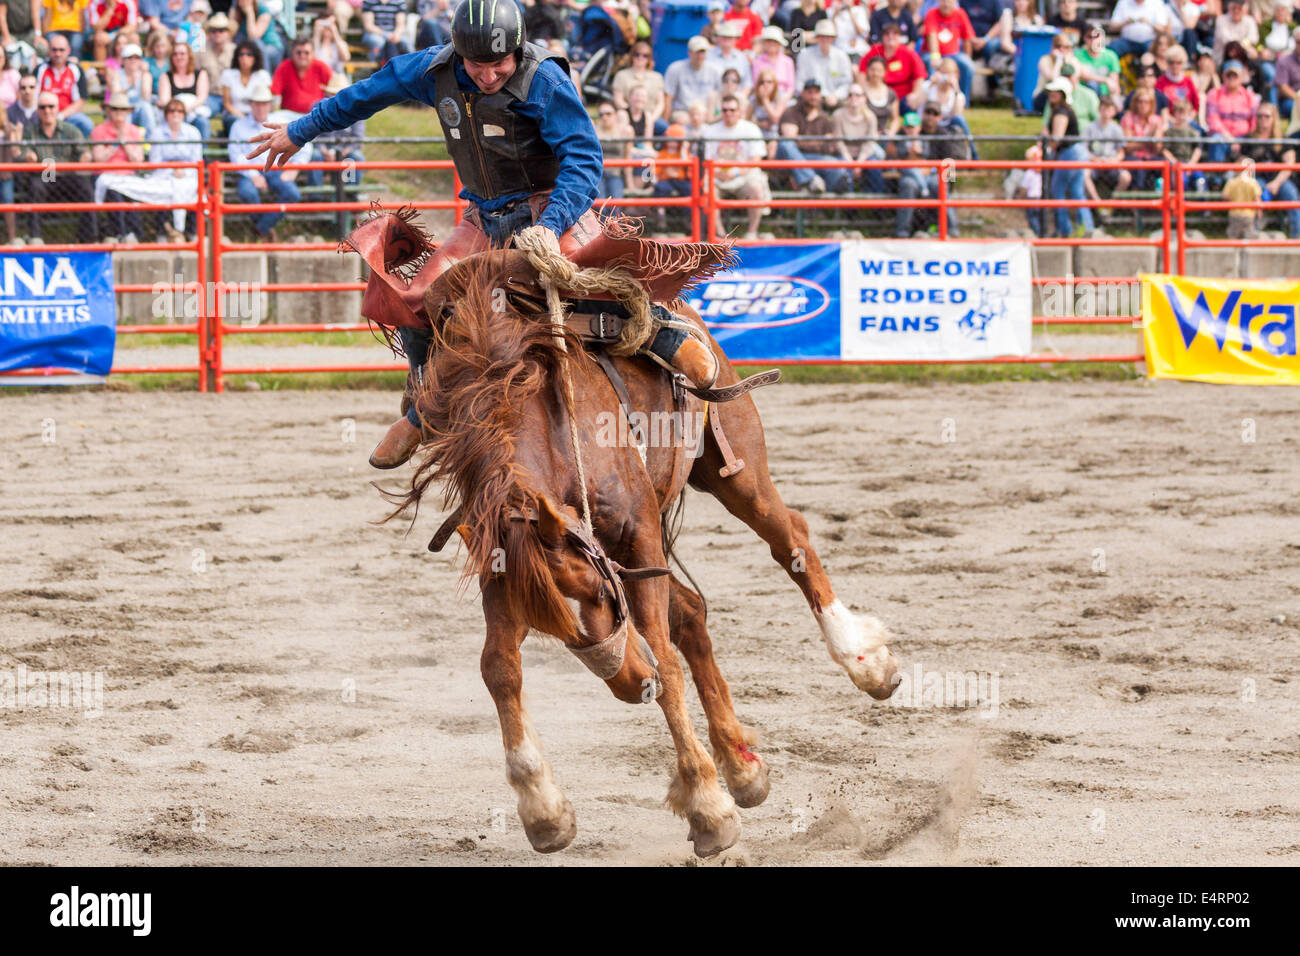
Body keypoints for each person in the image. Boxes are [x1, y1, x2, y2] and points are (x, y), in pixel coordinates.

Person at [246, 0, 721, 468]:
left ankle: (666, 337)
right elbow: (367, 93)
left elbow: (583, 159)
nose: (488, 75)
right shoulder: (434, 72)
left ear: (516, 50)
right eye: (477, 65)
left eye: (499, 64)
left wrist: (550, 226)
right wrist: (302, 129)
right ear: (459, 52)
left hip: (550, 208)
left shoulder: (544, 80)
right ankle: (423, 411)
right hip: (484, 219)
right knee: (415, 300)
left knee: (592, 280)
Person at [16, 90, 98, 243]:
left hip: (67, 177)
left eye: (51, 106)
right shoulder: (30, 132)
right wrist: (28, 156)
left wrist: (84, 157)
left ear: (58, 108)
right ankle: (35, 237)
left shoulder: (71, 130)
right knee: (35, 186)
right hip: (44, 178)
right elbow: (23, 153)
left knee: (86, 187)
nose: (47, 111)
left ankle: (89, 237)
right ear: (38, 110)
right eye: (42, 107)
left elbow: (83, 152)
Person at [227, 82, 299, 240]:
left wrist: (295, 167)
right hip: (250, 171)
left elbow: (306, 141)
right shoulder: (238, 126)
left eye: (264, 104)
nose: (260, 107)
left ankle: (260, 229)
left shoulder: (280, 121)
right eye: (257, 104)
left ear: (269, 105)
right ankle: (264, 229)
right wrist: (253, 175)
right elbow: (235, 154)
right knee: (248, 193)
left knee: (293, 194)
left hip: (274, 169)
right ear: (251, 105)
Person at [704, 91, 769, 238]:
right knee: (709, 190)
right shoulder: (711, 131)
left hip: (743, 174)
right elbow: (708, 160)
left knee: (756, 188)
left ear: (739, 111)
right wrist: (720, 173)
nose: (728, 113)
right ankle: (719, 235)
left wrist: (736, 172)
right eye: (725, 110)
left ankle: (752, 232)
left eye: (732, 110)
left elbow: (756, 159)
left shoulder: (751, 129)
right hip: (718, 174)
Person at [895, 102, 961, 237]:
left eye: (935, 114)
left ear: (940, 117)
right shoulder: (908, 129)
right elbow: (892, 150)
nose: (930, 116)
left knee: (939, 186)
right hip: (911, 173)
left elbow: (950, 161)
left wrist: (948, 182)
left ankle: (951, 229)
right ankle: (902, 232)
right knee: (908, 185)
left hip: (934, 174)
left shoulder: (943, 135)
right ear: (922, 114)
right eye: (928, 113)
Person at [776, 78, 851, 193]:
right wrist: (819, 143)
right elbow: (790, 141)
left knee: (840, 166)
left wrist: (802, 142)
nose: (813, 96)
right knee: (786, 145)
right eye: (809, 92)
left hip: (815, 159)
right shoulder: (791, 112)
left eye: (816, 93)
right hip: (790, 159)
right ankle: (811, 180)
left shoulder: (825, 117)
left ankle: (827, 204)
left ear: (820, 95)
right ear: (802, 94)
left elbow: (830, 146)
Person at [91, 90, 146, 242]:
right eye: (115, 109)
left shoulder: (134, 131)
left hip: (128, 175)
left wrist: (125, 142)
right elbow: (98, 159)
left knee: (131, 195)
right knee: (115, 194)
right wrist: (116, 144)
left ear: (128, 111)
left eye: (122, 109)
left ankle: (133, 233)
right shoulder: (99, 130)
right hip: (107, 175)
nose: (119, 112)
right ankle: (121, 233)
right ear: (108, 110)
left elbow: (138, 160)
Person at [1042, 77, 1094, 238]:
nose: (1052, 94)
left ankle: (1065, 230)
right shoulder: (1063, 110)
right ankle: (1086, 228)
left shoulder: (1061, 112)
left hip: (1070, 154)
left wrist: (1046, 149)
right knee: (1077, 192)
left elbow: (1057, 138)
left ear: (1063, 94)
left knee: (1058, 191)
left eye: (1056, 92)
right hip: (1076, 152)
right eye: (1051, 91)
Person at [1241, 101, 1300, 235]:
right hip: (1257, 178)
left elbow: (1289, 163)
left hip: (1279, 179)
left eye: (1267, 116)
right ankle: (1253, 233)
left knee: (1292, 195)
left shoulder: (1282, 139)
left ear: (1274, 118)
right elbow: (1244, 162)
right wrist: (1252, 185)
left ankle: (1297, 237)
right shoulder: (1249, 139)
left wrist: (1276, 183)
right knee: (1254, 193)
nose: (1263, 120)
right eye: (1260, 116)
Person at [35, 32, 93, 136]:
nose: (58, 53)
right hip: (43, 113)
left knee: (86, 124)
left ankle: (75, 150)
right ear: (49, 50)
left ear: (68, 50)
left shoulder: (76, 69)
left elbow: (80, 101)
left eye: (61, 50)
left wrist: (61, 116)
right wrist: (46, 113)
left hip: (67, 115)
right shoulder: (40, 69)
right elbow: (34, 97)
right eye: (54, 50)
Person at [1205, 59, 1260, 163]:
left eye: (1235, 75)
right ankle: (1216, 176)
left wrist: (1248, 136)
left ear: (1241, 77)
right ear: (1223, 77)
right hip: (1223, 136)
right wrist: (1229, 138)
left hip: (1244, 137)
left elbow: (1254, 120)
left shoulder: (1249, 96)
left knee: (1254, 142)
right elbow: (1213, 120)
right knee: (1217, 139)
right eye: (1228, 75)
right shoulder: (1214, 94)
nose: (1231, 78)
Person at [833, 83, 885, 192]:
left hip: (864, 156)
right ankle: (848, 205)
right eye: (850, 95)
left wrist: (859, 163)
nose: (853, 98)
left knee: (875, 168)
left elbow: (869, 143)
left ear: (864, 98)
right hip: (845, 155)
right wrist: (850, 162)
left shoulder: (870, 117)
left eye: (857, 95)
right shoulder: (838, 115)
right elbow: (839, 142)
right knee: (842, 172)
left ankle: (877, 204)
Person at [861, 20, 926, 106]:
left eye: (895, 33)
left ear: (900, 36)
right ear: (882, 36)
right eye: (887, 34)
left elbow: (920, 75)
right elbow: (861, 71)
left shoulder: (908, 52)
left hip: (903, 96)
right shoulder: (874, 51)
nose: (891, 36)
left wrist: (915, 93)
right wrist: (864, 90)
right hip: (878, 93)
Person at [921, 0, 975, 101]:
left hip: (954, 54)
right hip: (933, 53)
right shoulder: (932, 12)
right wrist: (935, 56)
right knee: (932, 64)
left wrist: (968, 57)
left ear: (955, 2)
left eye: (949, 1)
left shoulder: (960, 14)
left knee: (968, 65)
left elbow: (967, 39)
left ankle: (962, 99)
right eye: (943, 1)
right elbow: (931, 36)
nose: (946, 4)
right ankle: (932, 100)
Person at [159, 37, 211, 139]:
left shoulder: (200, 73)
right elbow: (165, 99)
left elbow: (202, 97)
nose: (178, 57)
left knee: (203, 122)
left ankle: (204, 154)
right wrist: (179, 110)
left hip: (194, 111)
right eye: (175, 54)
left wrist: (187, 108)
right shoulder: (166, 76)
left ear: (189, 56)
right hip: (175, 112)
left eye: (182, 54)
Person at [1117, 86, 1167, 191]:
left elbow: (1158, 148)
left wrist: (1153, 139)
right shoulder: (1128, 118)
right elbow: (1128, 147)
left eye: (1147, 102)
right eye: (1140, 102)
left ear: (1151, 104)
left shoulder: (1156, 120)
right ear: (1135, 103)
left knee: (1167, 166)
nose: (1143, 105)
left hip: (1151, 157)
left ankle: (1168, 200)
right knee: (1139, 166)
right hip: (1133, 157)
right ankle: (1136, 201)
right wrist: (1149, 137)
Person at [796, 19, 851, 110]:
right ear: (816, 38)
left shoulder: (842, 56)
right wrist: (813, 95)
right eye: (822, 36)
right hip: (811, 100)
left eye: (828, 37)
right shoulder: (804, 55)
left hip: (836, 100)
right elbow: (799, 83)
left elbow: (847, 83)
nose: (825, 40)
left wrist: (836, 95)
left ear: (833, 39)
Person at [271, 33, 331, 116]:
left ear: (313, 53)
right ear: (292, 53)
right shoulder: (284, 67)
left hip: (315, 115)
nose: (302, 56)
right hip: (289, 116)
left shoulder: (321, 67)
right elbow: (275, 94)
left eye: (306, 53)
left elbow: (333, 90)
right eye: (299, 52)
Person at [665, 35, 722, 114]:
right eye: (697, 52)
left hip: (706, 112)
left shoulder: (715, 70)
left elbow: (720, 94)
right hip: (683, 111)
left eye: (703, 52)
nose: (700, 55)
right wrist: (666, 122)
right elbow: (669, 97)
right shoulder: (675, 69)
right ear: (689, 52)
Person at [612, 40, 665, 126]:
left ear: (649, 58)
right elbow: (618, 100)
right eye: (637, 54)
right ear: (632, 56)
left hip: (651, 116)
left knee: (667, 130)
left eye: (645, 55)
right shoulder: (621, 75)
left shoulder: (657, 77)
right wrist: (633, 114)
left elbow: (660, 103)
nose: (640, 57)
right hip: (628, 118)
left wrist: (651, 119)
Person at [221, 37, 269, 129]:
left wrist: (254, 117)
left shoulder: (263, 75)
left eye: (249, 55)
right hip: (234, 114)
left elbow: (266, 101)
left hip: (258, 114)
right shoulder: (228, 74)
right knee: (236, 121)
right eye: (241, 54)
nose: (244, 58)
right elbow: (227, 104)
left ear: (255, 57)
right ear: (237, 57)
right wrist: (243, 117)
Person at [1108, 0, 1175, 62]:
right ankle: (1113, 73)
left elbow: (1163, 29)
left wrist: (1149, 23)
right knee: (1111, 51)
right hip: (1127, 41)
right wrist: (1125, 23)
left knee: (1156, 52)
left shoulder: (1156, 2)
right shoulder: (1123, 1)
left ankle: (1152, 73)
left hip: (1150, 41)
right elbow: (1112, 27)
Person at [1074, 27, 1121, 107]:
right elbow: (1085, 76)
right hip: (1086, 93)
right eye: (1089, 37)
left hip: (1106, 96)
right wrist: (1106, 80)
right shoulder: (1078, 55)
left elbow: (1114, 81)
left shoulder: (1111, 56)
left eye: (1096, 36)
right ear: (1084, 38)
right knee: (1092, 84)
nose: (1093, 40)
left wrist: (1116, 99)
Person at [747, 66, 788, 148]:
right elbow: (746, 120)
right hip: (757, 135)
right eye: (762, 82)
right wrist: (759, 124)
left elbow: (775, 118)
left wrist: (765, 99)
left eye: (769, 82)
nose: (765, 85)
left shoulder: (781, 97)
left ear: (775, 84)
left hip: (776, 135)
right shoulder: (754, 99)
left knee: (772, 146)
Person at [360, 0, 410, 67]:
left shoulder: (399, 1)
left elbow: (401, 24)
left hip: (394, 33)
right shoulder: (369, 1)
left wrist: (396, 34)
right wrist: (385, 34)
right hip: (374, 33)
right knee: (378, 41)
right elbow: (368, 26)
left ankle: (409, 67)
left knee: (407, 42)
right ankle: (377, 67)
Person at [751, 24, 795, 97]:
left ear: (779, 44)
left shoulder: (788, 61)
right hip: (763, 97)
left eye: (775, 41)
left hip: (784, 98)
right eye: (768, 41)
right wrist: (766, 101)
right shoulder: (757, 62)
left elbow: (791, 87)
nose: (771, 43)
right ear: (764, 43)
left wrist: (783, 102)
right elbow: (757, 85)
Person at [708, 20, 750, 95]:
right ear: (717, 38)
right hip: (714, 97)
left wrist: (739, 98)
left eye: (730, 37)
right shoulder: (708, 56)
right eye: (724, 36)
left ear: (735, 39)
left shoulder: (742, 58)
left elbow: (747, 83)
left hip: (736, 99)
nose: (727, 39)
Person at [1273, 26, 1300, 119]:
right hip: (1291, 99)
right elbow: (1283, 87)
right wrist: (1298, 98)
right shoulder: (1284, 61)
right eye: (1299, 42)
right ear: (1295, 43)